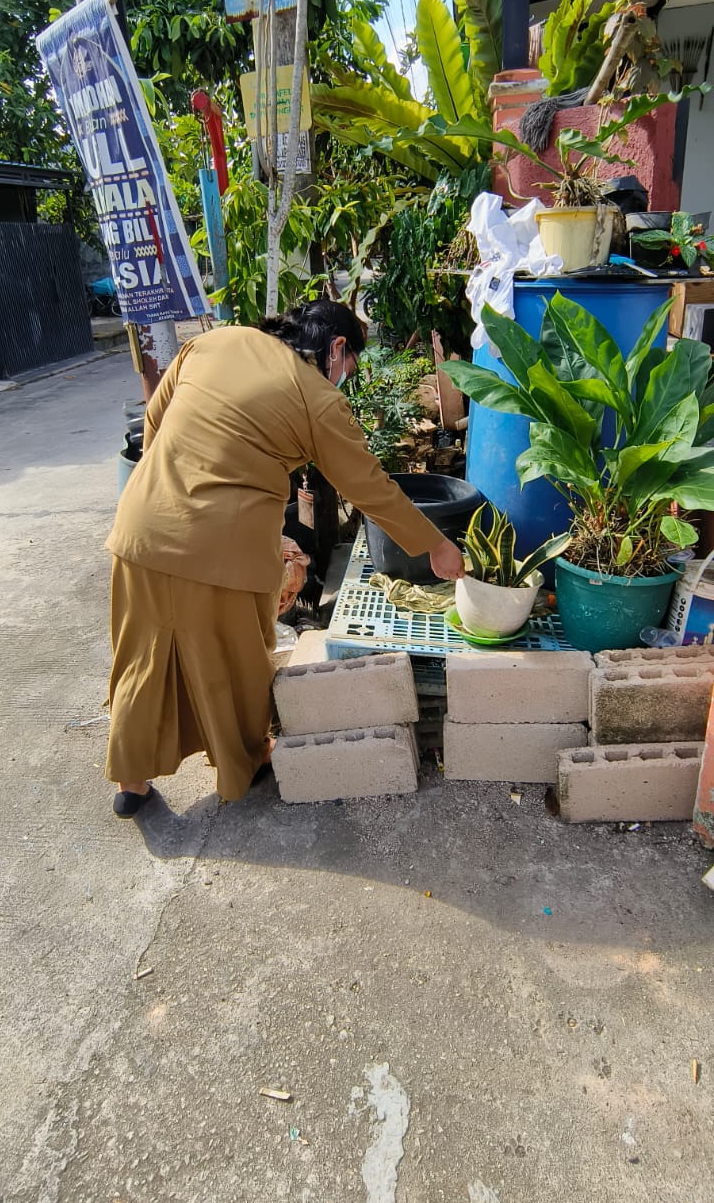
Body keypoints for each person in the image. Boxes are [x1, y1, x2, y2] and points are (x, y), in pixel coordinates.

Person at [105, 300, 464, 817]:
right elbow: (369, 487)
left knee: (141, 655)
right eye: (351, 368)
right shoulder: (318, 398)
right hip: (221, 549)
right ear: (336, 347)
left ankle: (130, 782)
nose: (346, 379)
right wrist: (435, 543)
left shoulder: (212, 343)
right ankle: (243, 764)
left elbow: (155, 420)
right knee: (236, 661)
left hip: (139, 527)